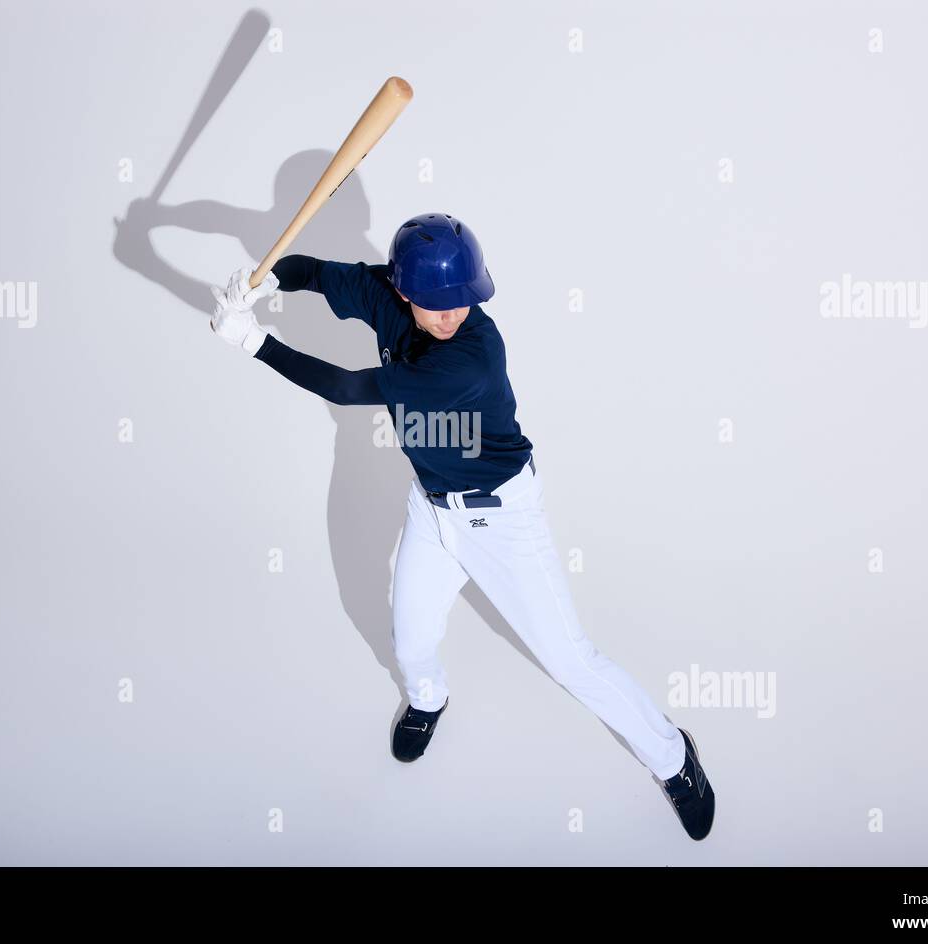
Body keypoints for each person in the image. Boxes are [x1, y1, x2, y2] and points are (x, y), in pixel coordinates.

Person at [209, 213, 714, 840]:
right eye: (435, 302)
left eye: (462, 299)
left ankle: (673, 756)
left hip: (501, 517)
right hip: (431, 507)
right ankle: (427, 700)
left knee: (571, 661)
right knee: (410, 640)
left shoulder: (472, 357)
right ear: (402, 291)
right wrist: (264, 280)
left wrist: (252, 341)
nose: (450, 314)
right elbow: (311, 270)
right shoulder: (383, 291)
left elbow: (345, 388)